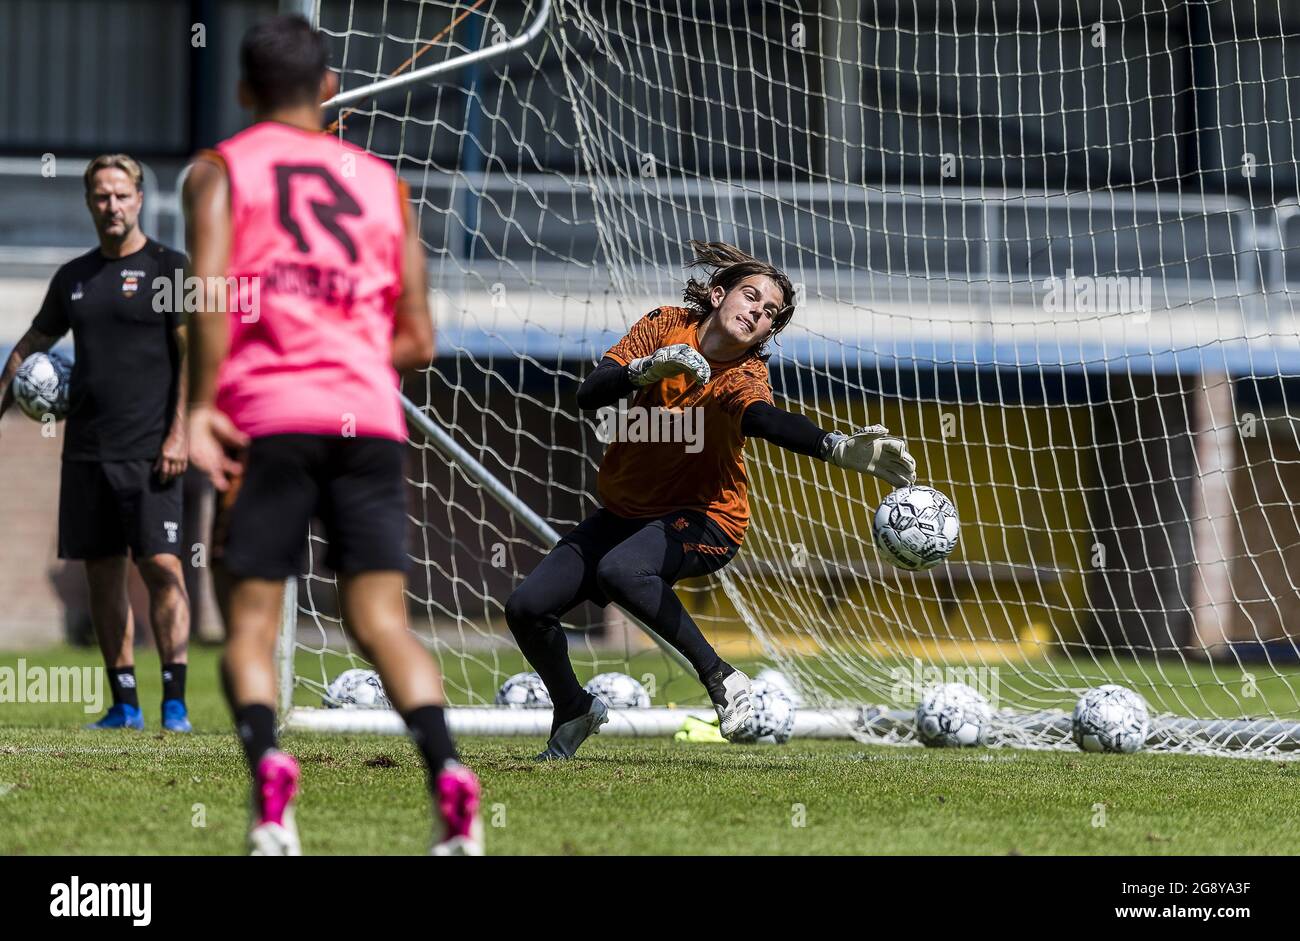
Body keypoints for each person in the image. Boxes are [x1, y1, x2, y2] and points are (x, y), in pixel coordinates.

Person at [183, 14, 481, 855]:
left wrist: (201, 402)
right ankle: (451, 775)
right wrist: (345, 348)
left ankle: (273, 793)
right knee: (383, 621)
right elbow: (418, 340)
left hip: (267, 420)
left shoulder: (220, 172)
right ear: (329, 88)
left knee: (246, 630)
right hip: (369, 423)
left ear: (242, 91)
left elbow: (210, 294)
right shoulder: (383, 182)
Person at [507, 240, 917, 760]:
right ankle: (573, 708)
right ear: (719, 294)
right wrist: (645, 370)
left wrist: (833, 446)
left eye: (771, 313)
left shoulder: (744, 376)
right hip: (625, 514)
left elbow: (766, 421)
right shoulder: (663, 325)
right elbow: (590, 394)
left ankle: (724, 679)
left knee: (622, 572)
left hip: (708, 520)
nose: (759, 313)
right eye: (752, 297)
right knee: (526, 608)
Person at [0, 153, 193, 732]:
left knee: (162, 567)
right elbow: (31, 344)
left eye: (121, 195)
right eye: (101, 196)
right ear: (89, 203)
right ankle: (125, 705)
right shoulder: (74, 278)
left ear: (140, 199)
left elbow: (192, 355)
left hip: (153, 450)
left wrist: (181, 430)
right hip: (86, 453)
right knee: (102, 578)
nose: (112, 206)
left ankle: (176, 704)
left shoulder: (169, 268)